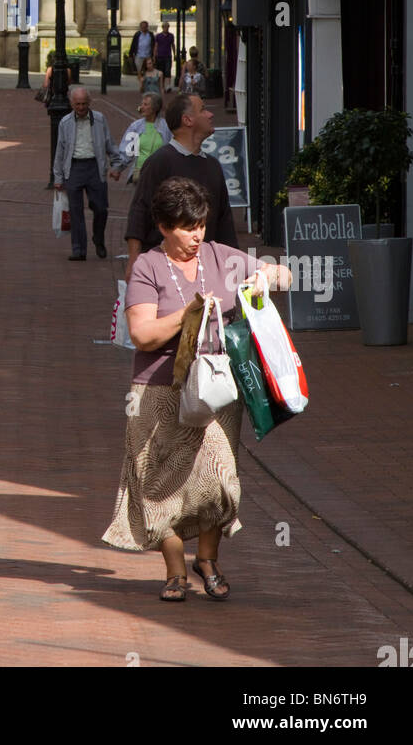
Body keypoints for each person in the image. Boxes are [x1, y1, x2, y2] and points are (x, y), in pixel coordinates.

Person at [102, 176, 292, 601]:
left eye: (202, 225)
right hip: (158, 388)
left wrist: (269, 279)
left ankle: (206, 558)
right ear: (165, 227)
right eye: (188, 227)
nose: (197, 235)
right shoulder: (148, 267)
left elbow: (285, 276)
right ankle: (174, 570)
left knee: (220, 480)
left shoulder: (221, 257)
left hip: (217, 389)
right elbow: (142, 334)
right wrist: (188, 315)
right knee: (155, 484)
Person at [125, 92, 239, 279]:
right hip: (165, 270)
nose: (210, 114)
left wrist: (235, 266)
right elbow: (140, 211)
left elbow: (224, 220)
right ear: (187, 120)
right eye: (203, 109)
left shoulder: (213, 166)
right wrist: (133, 261)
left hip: (205, 271)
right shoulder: (160, 161)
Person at [53, 85, 127, 261]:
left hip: (95, 167)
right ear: (72, 104)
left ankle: (98, 238)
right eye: (77, 104)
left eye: (84, 104)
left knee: (101, 208)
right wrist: (58, 177)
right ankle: (79, 249)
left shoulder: (100, 120)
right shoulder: (65, 122)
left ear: (90, 103)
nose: (81, 108)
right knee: (75, 211)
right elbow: (60, 151)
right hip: (74, 167)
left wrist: (117, 165)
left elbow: (110, 144)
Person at [117, 93, 171, 183]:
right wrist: (118, 168)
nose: (141, 107)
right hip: (140, 174)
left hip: (160, 175)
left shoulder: (166, 127)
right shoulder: (135, 126)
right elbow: (127, 150)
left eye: (145, 104)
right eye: (142, 104)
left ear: (155, 108)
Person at [154, 22, 176, 91]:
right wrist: (154, 56)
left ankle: (168, 85)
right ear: (162, 27)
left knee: (167, 71)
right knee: (161, 72)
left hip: (168, 56)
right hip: (160, 56)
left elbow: (173, 45)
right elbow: (156, 46)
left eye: (167, 27)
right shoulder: (158, 36)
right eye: (165, 27)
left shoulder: (171, 36)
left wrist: (174, 54)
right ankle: (162, 86)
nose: (166, 28)